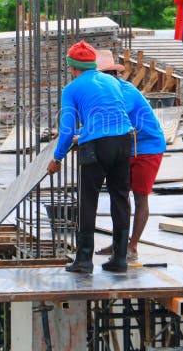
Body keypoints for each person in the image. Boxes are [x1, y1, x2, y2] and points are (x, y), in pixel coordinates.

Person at [46, 40, 134, 273]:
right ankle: (120, 258)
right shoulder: (112, 81)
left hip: (97, 146)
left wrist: (57, 158)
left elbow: (66, 130)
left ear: (73, 67)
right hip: (124, 140)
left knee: (88, 200)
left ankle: (84, 259)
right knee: (120, 198)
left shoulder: (72, 89)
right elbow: (110, 112)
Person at [93, 50, 166, 261]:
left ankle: (132, 247)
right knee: (120, 197)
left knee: (140, 197)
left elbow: (111, 120)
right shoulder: (108, 92)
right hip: (127, 147)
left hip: (147, 148)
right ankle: (119, 243)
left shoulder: (126, 93)